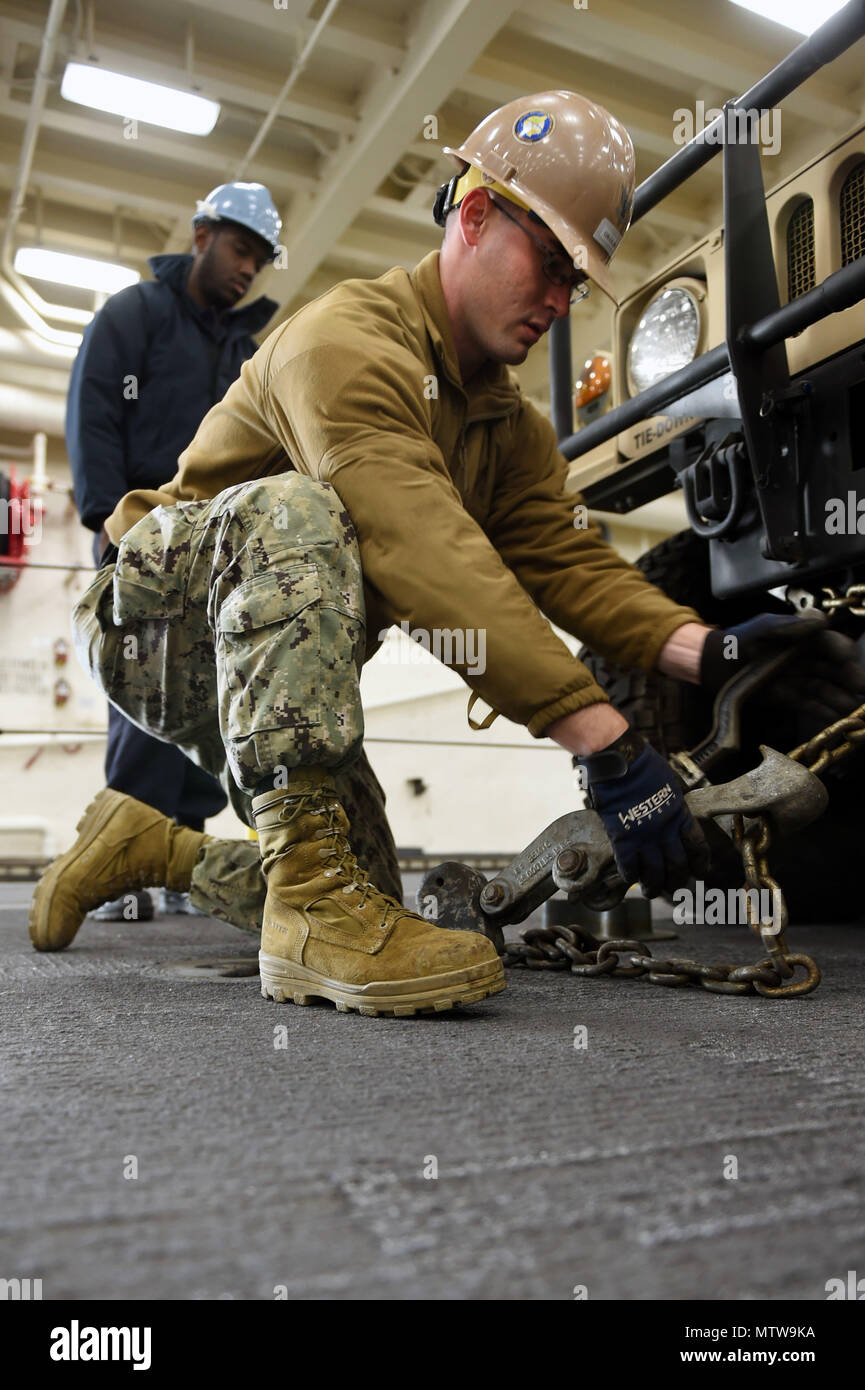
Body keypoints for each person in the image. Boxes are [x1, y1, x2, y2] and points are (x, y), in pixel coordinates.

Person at [31, 92, 865, 1018]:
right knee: (300, 510)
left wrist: (709, 649)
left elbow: (563, 562)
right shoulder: (342, 340)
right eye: (548, 263)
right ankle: (309, 913)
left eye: (574, 282)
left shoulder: (505, 425)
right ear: (473, 216)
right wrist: (608, 744)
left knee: (371, 893)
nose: (559, 299)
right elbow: (414, 538)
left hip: (266, 666)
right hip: (155, 624)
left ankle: (150, 847)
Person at [65, 183, 280, 918]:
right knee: (144, 689)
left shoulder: (248, 351)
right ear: (201, 236)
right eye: (240, 250)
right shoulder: (134, 315)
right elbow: (93, 407)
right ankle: (121, 856)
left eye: (260, 259)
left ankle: (181, 849)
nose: (249, 269)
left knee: (213, 700)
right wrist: (103, 514)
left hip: (220, 547)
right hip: (140, 528)